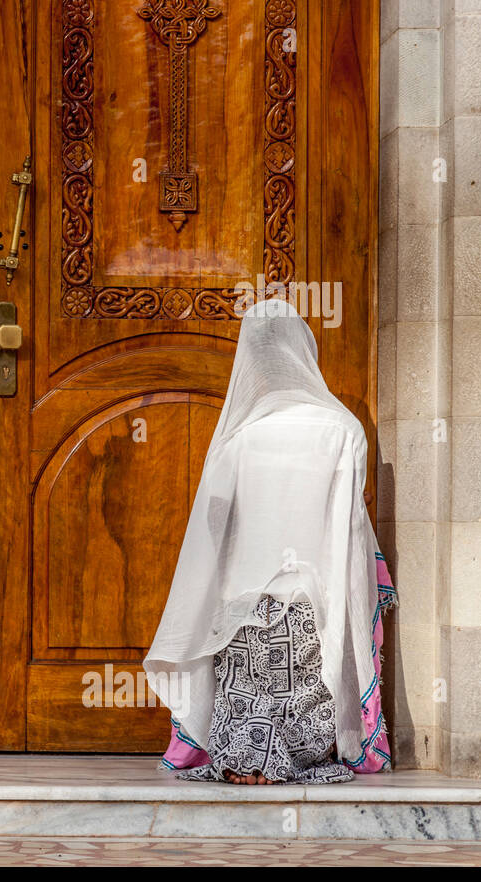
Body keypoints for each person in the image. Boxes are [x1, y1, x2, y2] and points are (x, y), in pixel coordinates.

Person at [144, 298, 397, 784]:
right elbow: (350, 526)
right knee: (306, 699)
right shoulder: (344, 430)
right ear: (303, 353)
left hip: (242, 608)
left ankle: (247, 757)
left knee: (246, 694)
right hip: (313, 607)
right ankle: (289, 758)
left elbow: (212, 528)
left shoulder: (239, 439)